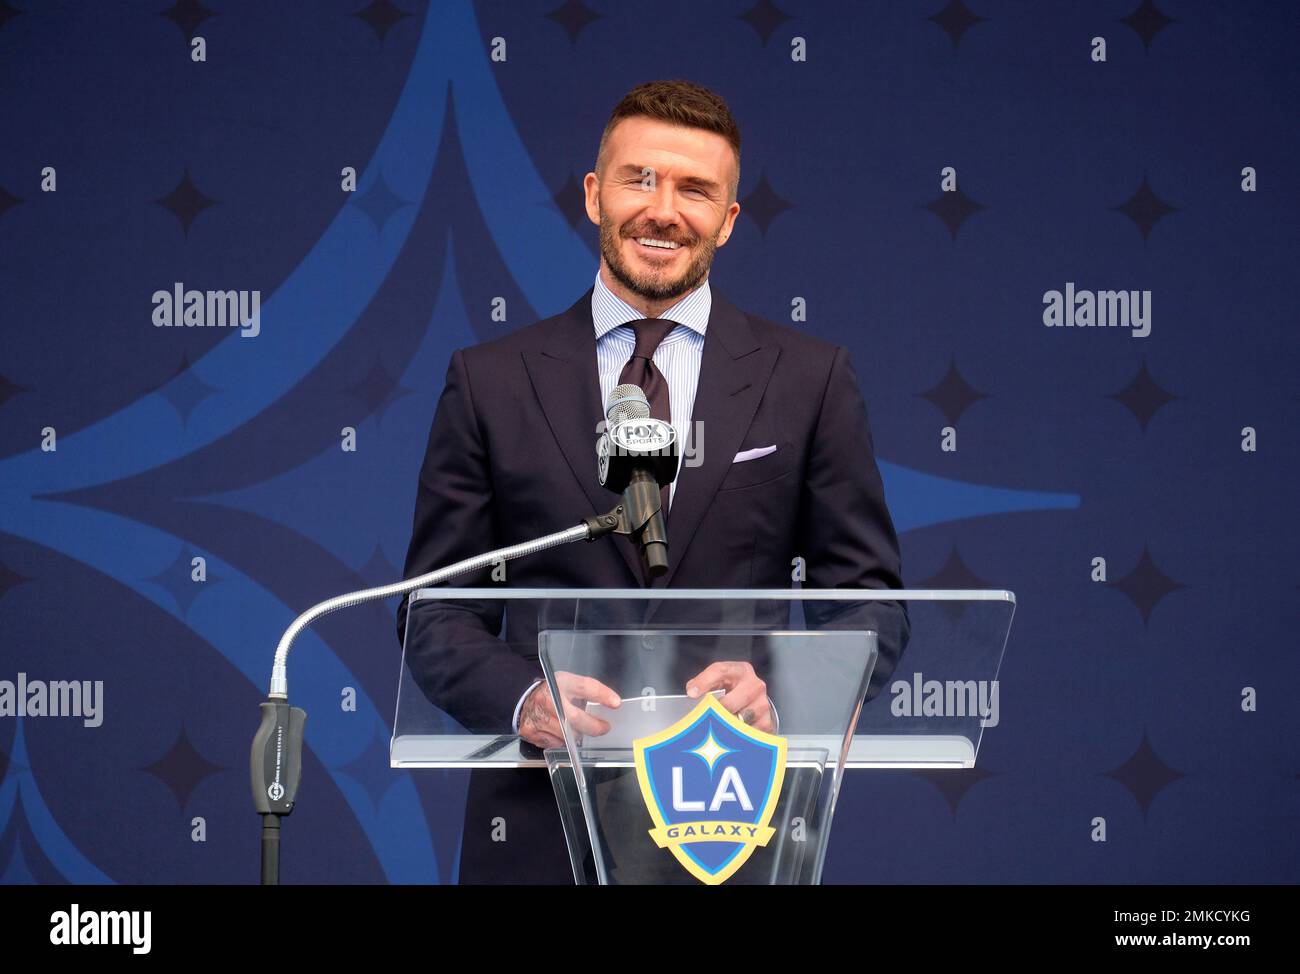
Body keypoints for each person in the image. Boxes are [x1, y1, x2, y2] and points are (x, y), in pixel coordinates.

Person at [397, 79, 907, 883]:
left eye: (695, 189)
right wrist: (525, 694)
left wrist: (782, 686)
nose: (663, 209)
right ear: (595, 195)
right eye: (640, 179)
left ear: (729, 220)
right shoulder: (488, 381)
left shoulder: (809, 379)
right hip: (536, 829)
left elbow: (871, 601)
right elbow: (436, 611)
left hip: (734, 822)